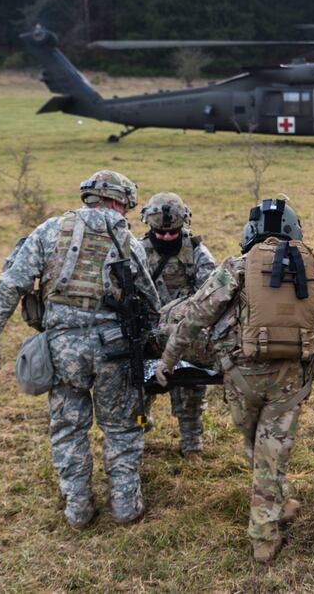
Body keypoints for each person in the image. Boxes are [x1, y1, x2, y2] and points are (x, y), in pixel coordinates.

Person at [0, 170, 160, 529]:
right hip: (114, 350)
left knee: (68, 428)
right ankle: (125, 507)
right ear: (117, 201)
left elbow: (12, 283)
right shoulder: (127, 239)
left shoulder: (50, 230)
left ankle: (78, 509)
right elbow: (151, 301)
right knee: (121, 429)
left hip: (62, 349)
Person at [155, 198, 314, 563]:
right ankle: (277, 507)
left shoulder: (235, 267)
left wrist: (168, 359)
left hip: (243, 377)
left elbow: (196, 316)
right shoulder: (304, 266)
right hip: (290, 380)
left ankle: (263, 536)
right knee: (270, 454)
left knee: (257, 448)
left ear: (250, 232)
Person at [138, 192, 217, 457]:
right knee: (136, 392)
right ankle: (139, 426)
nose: (166, 237)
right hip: (147, 335)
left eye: (173, 233)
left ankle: (191, 443)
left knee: (191, 390)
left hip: (185, 335)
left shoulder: (197, 254)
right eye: (160, 233)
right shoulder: (137, 252)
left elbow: (210, 297)